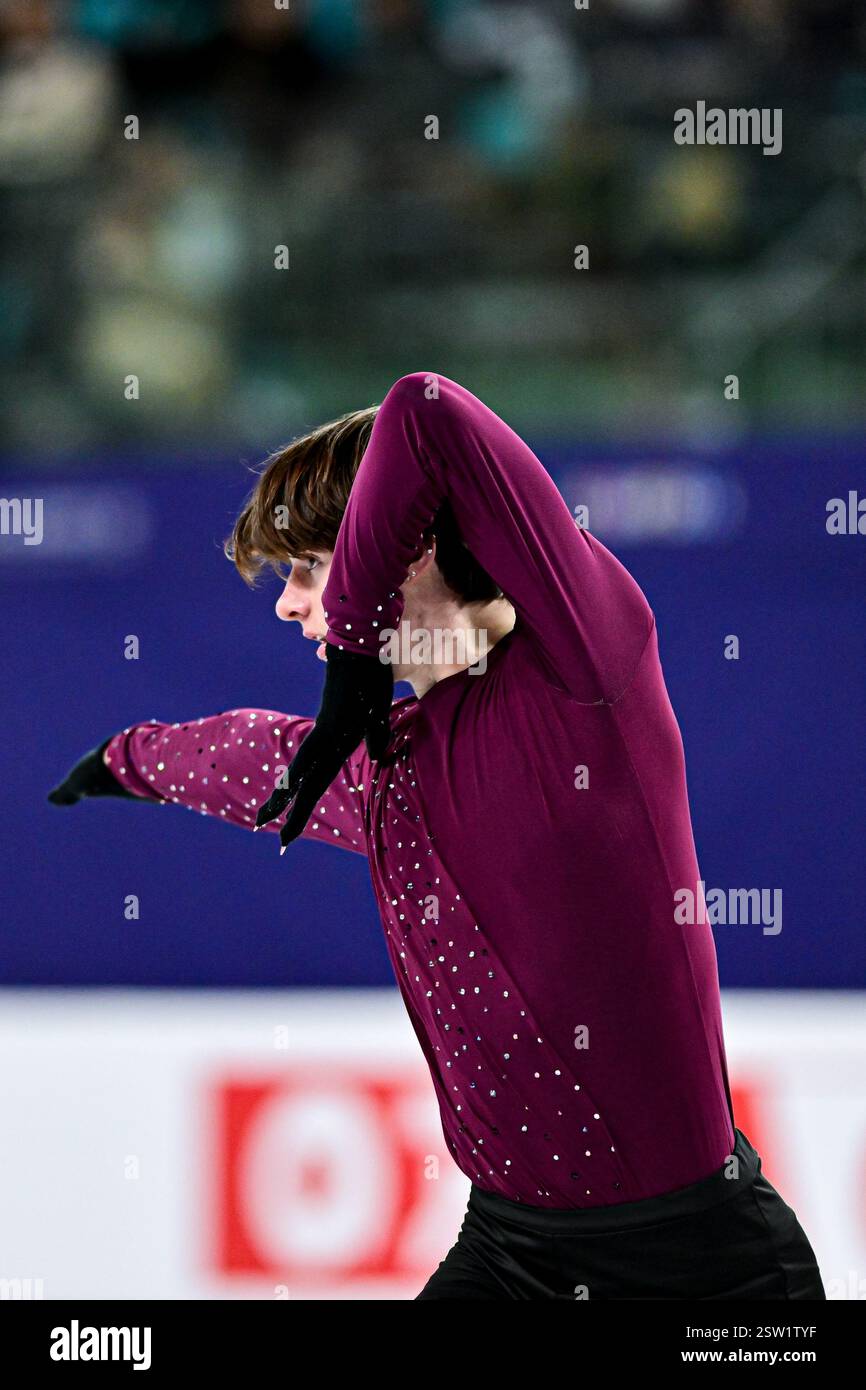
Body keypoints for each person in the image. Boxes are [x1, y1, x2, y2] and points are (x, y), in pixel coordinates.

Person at [48, 371, 825, 1300]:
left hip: (703, 1269)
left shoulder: (586, 668)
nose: (289, 605)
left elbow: (426, 410)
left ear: (405, 550)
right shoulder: (394, 767)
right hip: (509, 1257)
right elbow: (250, 755)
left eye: (309, 567)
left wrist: (352, 645)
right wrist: (122, 760)